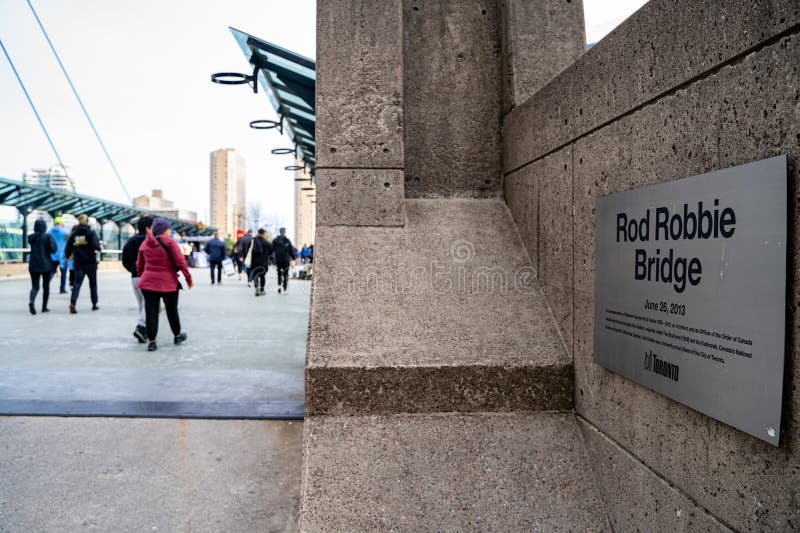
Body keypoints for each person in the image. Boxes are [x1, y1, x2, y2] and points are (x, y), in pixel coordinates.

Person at [136, 217, 193, 352]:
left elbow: (139, 265)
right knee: (172, 310)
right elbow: (181, 262)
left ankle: (152, 342)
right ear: (164, 229)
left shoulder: (145, 243)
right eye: (169, 229)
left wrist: (143, 276)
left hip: (148, 283)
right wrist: (188, 278)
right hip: (168, 282)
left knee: (151, 312)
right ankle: (177, 335)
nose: (170, 231)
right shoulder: (170, 242)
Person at [122, 216, 153, 343]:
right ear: (148, 228)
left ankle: (144, 332)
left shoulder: (130, 241)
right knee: (149, 304)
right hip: (148, 276)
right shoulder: (150, 241)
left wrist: (133, 270)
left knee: (142, 304)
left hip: (134, 277)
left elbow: (124, 261)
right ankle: (141, 327)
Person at [65, 214, 101, 314]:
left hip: (79, 262)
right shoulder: (91, 233)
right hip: (90, 263)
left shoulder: (75, 234)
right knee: (93, 284)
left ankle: (73, 303)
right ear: (87, 222)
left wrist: (67, 256)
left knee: (76, 284)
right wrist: (99, 247)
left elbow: (68, 247)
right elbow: (95, 245)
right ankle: (94, 304)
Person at [27, 218, 57, 314]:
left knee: (35, 287)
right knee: (46, 287)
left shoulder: (31, 237)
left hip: (33, 265)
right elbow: (53, 249)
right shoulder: (48, 237)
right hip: (46, 265)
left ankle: (32, 301)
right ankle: (44, 307)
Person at [48, 216, 68, 294]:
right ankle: (62, 289)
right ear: (60, 223)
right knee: (63, 273)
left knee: (52, 271)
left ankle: (46, 284)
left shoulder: (49, 232)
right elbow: (70, 240)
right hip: (62, 256)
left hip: (53, 255)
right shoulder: (64, 232)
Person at [272, 227, 295, 294]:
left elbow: (272, 249)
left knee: (279, 273)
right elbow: (291, 250)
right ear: (284, 232)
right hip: (285, 260)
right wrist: (293, 258)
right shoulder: (287, 240)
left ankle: (279, 286)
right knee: (285, 274)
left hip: (278, 259)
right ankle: (284, 288)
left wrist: (272, 260)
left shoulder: (275, 240)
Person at [250, 229, 272, 296]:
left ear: (258, 233)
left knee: (255, 275)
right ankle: (262, 290)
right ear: (263, 234)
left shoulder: (253, 241)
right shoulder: (267, 242)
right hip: (264, 263)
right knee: (262, 276)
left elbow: (249, 250)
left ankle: (257, 288)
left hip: (255, 262)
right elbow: (271, 252)